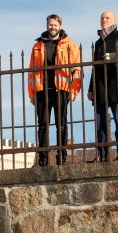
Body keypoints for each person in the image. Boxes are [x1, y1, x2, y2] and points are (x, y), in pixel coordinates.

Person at [28, 15, 82, 166]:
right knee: (43, 125)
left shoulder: (69, 44)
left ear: (60, 26)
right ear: (47, 25)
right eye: (50, 24)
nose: (52, 27)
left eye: (55, 24)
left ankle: (62, 157)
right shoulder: (38, 46)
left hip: (61, 89)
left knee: (62, 124)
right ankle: (43, 159)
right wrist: (32, 93)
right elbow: (31, 72)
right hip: (42, 90)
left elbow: (77, 68)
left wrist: (74, 90)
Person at [87, 10, 118, 161]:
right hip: (100, 86)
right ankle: (102, 155)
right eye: (102, 18)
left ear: (114, 21)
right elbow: (95, 67)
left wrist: (115, 64)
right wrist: (90, 88)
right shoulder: (98, 42)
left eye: (107, 18)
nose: (104, 20)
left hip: (116, 84)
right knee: (100, 123)